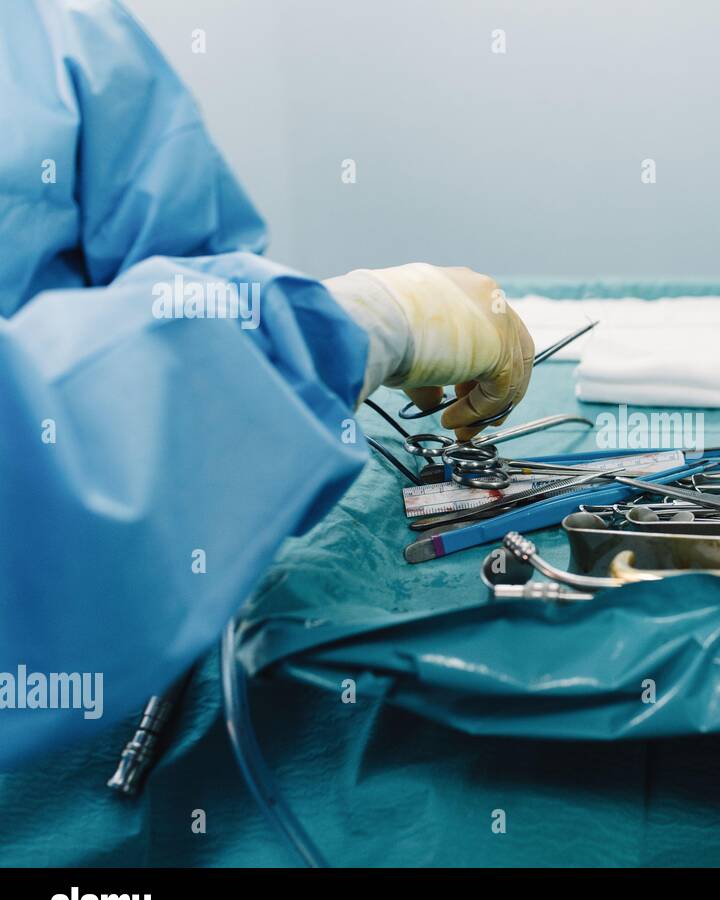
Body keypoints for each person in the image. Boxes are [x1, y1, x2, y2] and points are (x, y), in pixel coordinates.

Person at [0, 0, 533, 765]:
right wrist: (363, 324)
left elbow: (189, 287)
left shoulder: (60, 37)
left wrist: (289, 341)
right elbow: (48, 483)